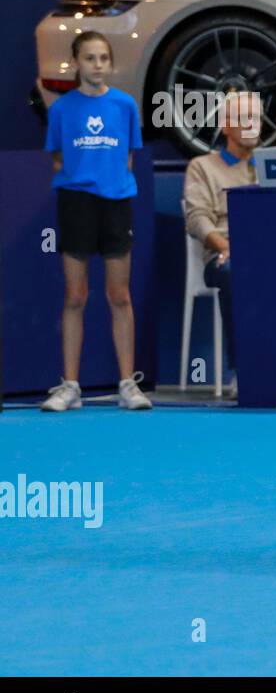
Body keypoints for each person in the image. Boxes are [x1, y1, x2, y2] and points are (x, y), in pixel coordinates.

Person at [41, 31, 151, 411]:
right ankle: (70, 386)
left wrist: (110, 183)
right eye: (90, 58)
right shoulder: (60, 110)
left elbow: (128, 157)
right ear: (76, 63)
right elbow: (57, 158)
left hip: (117, 204)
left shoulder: (125, 106)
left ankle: (127, 385)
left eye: (103, 58)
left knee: (119, 295)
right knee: (76, 296)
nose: (98, 65)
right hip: (76, 204)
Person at [182, 90, 262, 397]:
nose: (252, 125)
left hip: (265, 253)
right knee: (234, 273)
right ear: (226, 125)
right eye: (243, 119)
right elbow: (197, 218)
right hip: (221, 254)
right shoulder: (202, 166)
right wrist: (226, 246)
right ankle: (244, 371)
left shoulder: (272, 165)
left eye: (255, 118)